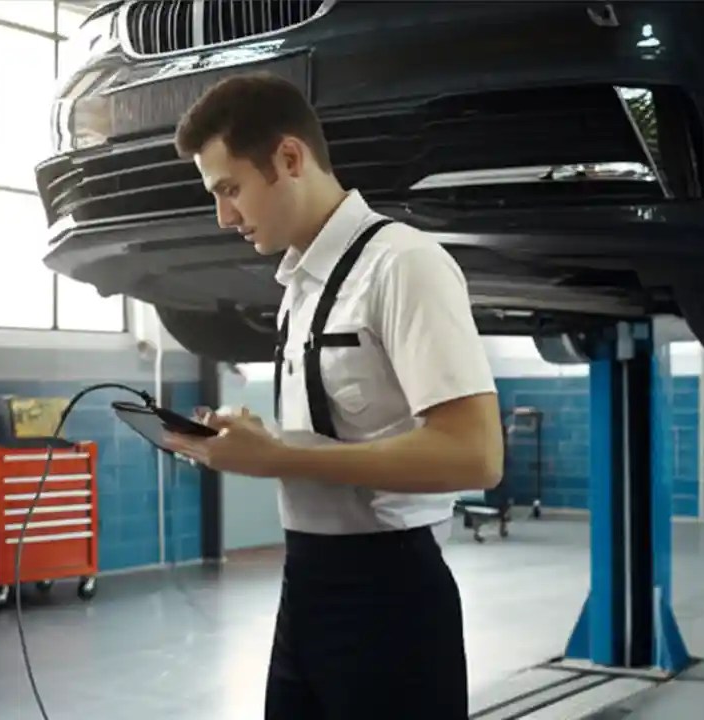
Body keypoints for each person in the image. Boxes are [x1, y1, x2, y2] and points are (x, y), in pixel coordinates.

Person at [162, 71, 504, 719]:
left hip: (392, 597)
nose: (222, 216)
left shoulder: (404, 265)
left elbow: (476, 455)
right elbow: (340, 434)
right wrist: (253, 440)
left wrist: (282, 458)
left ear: (289, 159)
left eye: (230, 189)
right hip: (306, 588)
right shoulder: (299, 287)